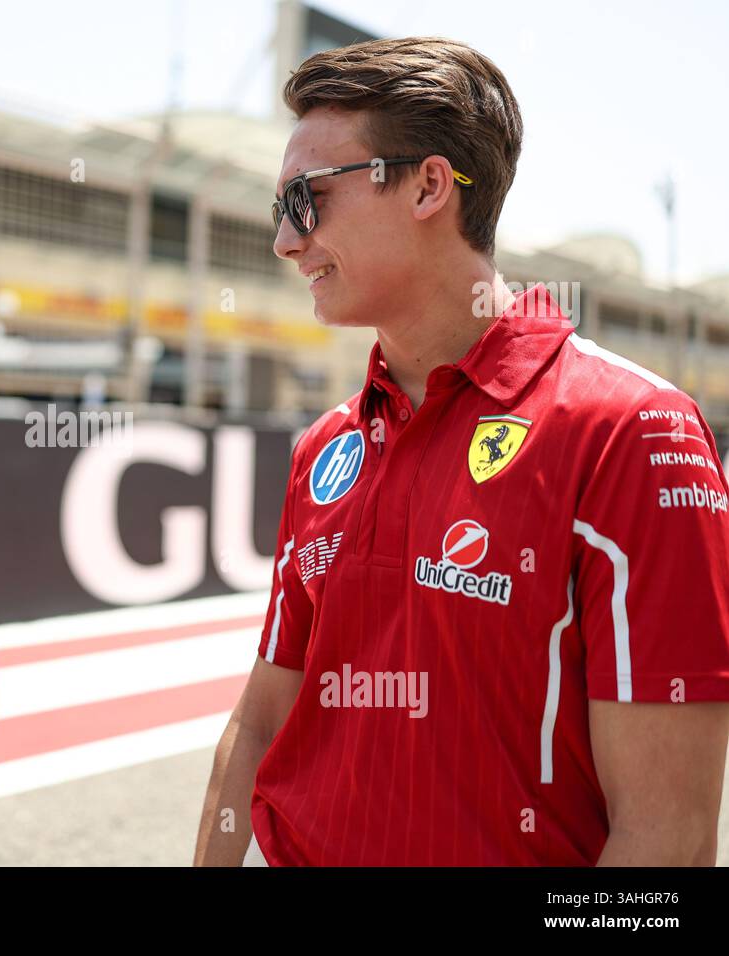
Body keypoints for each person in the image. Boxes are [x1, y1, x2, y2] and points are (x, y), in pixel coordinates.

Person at [195, 37, 729, 866]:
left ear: (429, 186)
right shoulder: (326, 447)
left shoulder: (634, 431)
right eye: (279, 210)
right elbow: (262, 719)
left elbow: (669, 839)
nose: (285, 242)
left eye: (305, 199)